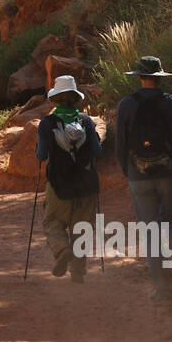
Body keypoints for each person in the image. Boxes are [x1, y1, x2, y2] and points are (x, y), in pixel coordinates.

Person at [115, 55, 172, 304]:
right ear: (159, 77)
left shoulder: (126, 105)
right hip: (167, 174)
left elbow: (120, 146)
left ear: (140, 77)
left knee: (150, 230)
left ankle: (164, 290)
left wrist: (128, 173)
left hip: (138, 175)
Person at [35, 74, 103, 283]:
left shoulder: (47, 123)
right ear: (75, 98)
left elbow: (41, 155)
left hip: (58, 183)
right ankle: (78, 272)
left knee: (53, 221)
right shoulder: (86, 121)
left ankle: (62, 249)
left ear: (55, 99)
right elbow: (97, 151)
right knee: (82, 226)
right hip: (86, 183)